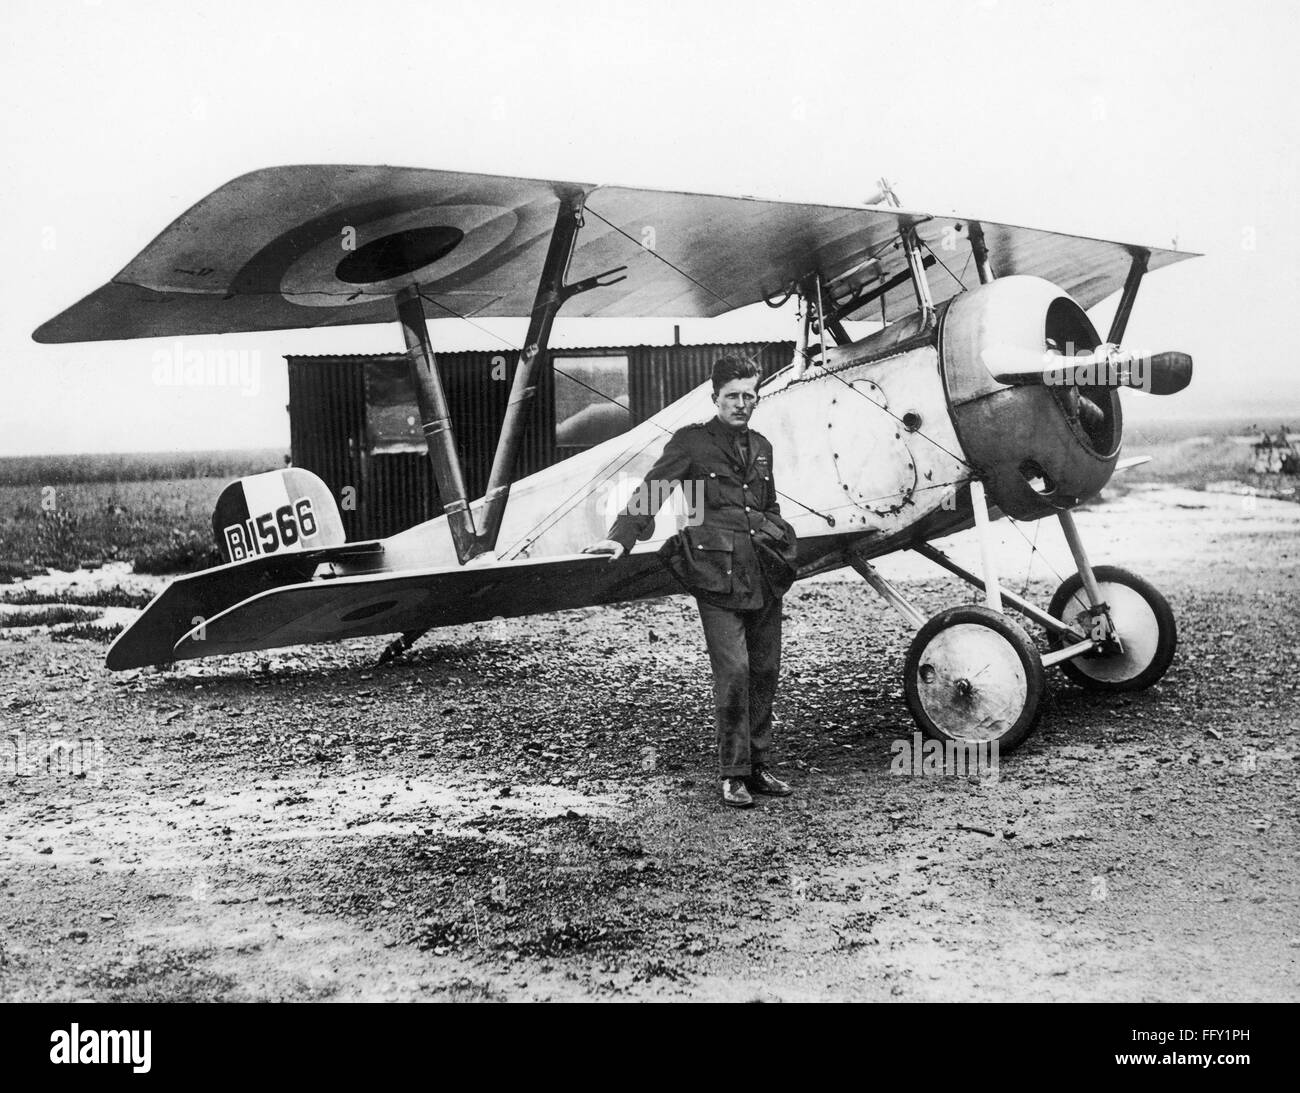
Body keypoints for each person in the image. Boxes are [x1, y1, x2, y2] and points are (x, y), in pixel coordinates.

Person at [583, 355, 799, 808]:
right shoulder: (692, 443)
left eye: (749, 396)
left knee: (764, 669)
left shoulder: (762, 446)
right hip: (715, 574)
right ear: (715, 397)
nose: (742, 404)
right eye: (733, 396)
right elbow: (654, 489)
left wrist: (780, 541)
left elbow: (768, 504)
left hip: (762, 572)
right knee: (735, 671)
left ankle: (759, 767)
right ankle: (733, 773)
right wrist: (621, 538)